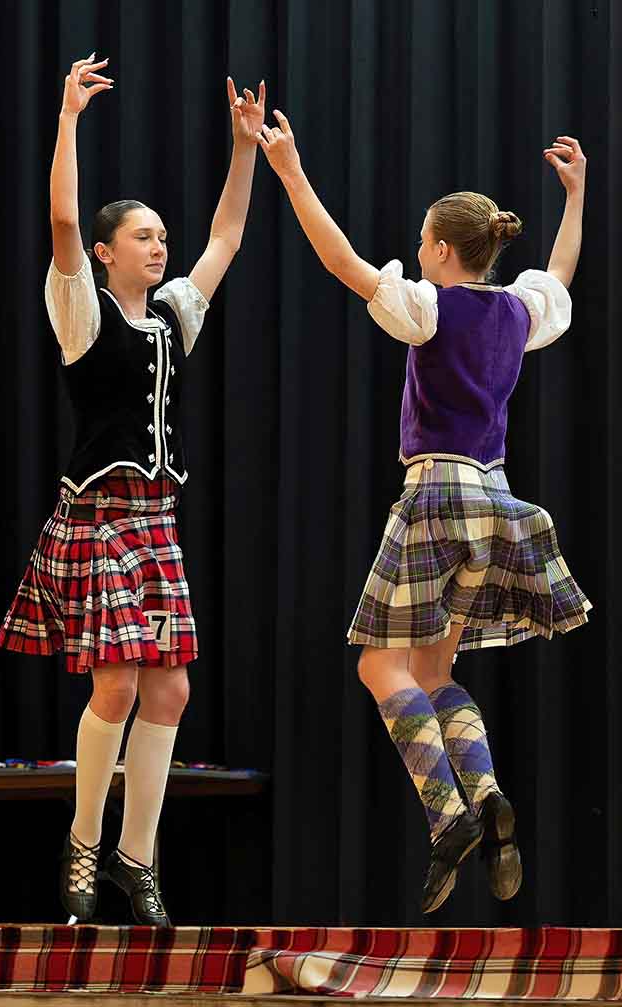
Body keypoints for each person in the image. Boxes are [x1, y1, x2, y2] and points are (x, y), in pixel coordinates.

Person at [256, 112, 590, 913]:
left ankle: (448, 816)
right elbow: (559, 274)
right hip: (496, 502)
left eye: (421, 241)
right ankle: (487, 794)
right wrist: (577, 198)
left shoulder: (429, 307)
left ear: (441, 249)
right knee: (437, 672)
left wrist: (292, 172)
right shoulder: (518, 311)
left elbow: (341, 262)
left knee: (380, 666)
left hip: (437, 493)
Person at [0, 54, 265, 926]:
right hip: (98, 519)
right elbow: (63, 218)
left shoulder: (173, 315)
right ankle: (82, 841)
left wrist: (245, 149)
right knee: (114, 683)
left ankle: (135, 857)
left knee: (171, 690)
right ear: (107, 253)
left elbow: (226, 237)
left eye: (161, 236)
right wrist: (68, 118)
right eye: (143, 236)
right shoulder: (81, 310)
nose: (160, 245)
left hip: (156, 522)